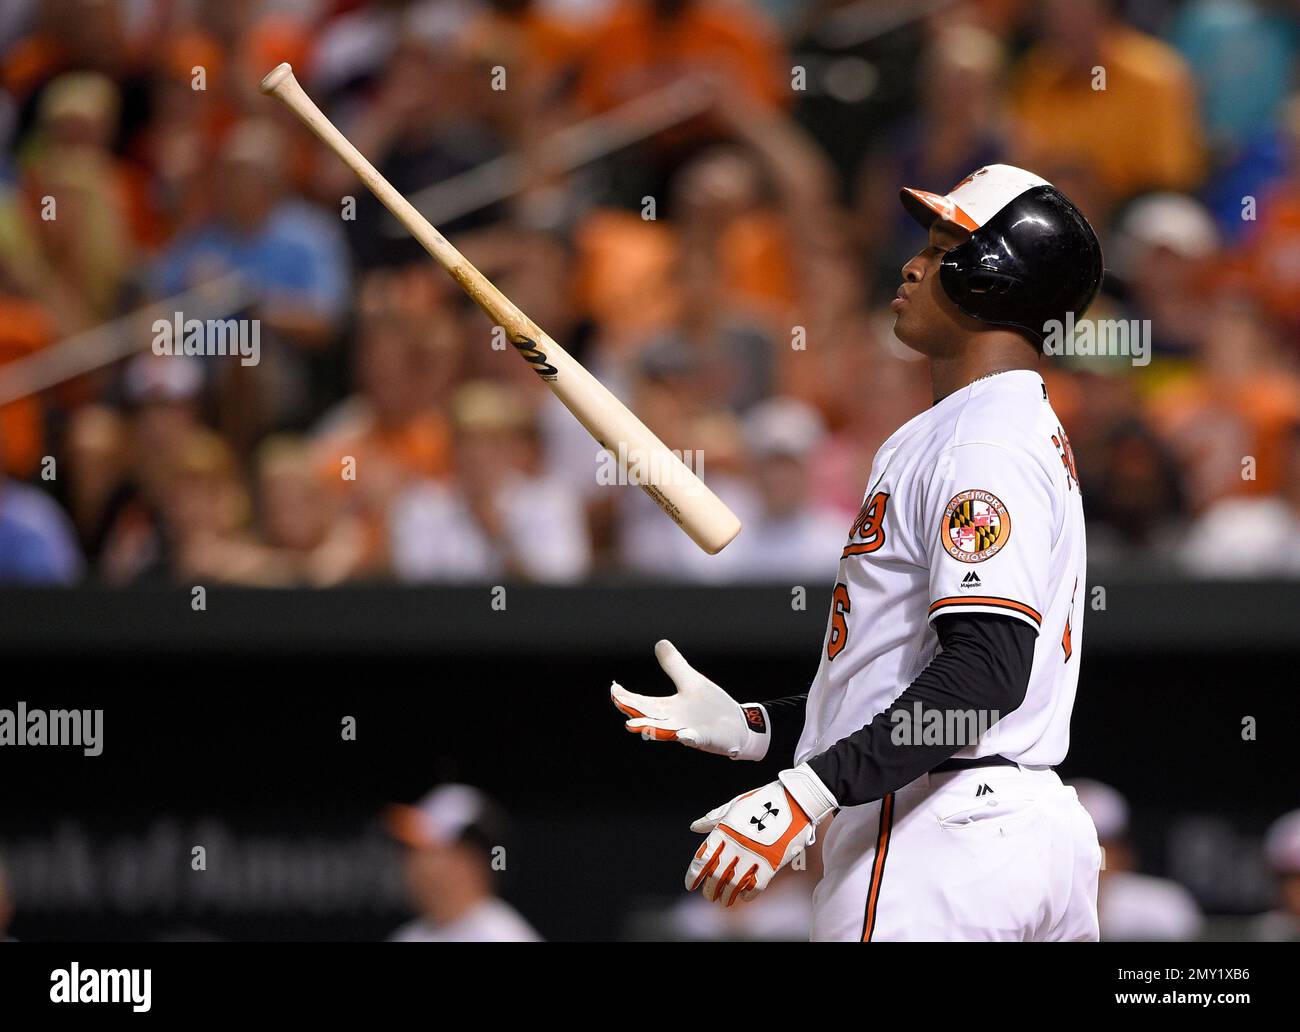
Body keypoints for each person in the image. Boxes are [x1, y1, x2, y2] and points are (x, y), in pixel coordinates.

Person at [610, 165, 1105, 941]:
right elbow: (917, 683)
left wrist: (807, 792)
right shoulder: (998, 427)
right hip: (1008, 828)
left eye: (945, 250)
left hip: (933, 837)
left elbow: (982, 680)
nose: (913, 265)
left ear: (996, 279)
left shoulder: (981, 439)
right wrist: (761, 730)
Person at [383, 784, 540, 943]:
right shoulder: (410, 936)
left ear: (468, 859)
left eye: (422, 850)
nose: (409, 861)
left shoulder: (503, 937)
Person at [1072, 779, 1203, 941]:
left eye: (1098, 844)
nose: (1083, 856)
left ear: (1122, 852)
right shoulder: (1038, 898)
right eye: (1072, 845)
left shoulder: (1162, 905)